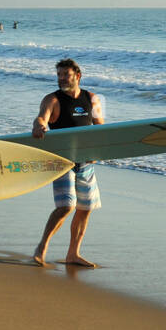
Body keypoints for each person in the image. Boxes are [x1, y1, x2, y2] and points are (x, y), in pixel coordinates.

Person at [30, 58, 105, 268]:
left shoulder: (93, 99)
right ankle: (41, 247)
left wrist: (98, 151)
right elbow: (41, 118)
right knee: (66, 206)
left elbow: (101, 128)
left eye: (66, 75)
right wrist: (39, 126)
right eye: (59, 75)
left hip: (86, 162)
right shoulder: (52, 99)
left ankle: (73, 254)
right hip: (62, 161)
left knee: (85, 208)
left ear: (77, 76)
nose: (62, 79)